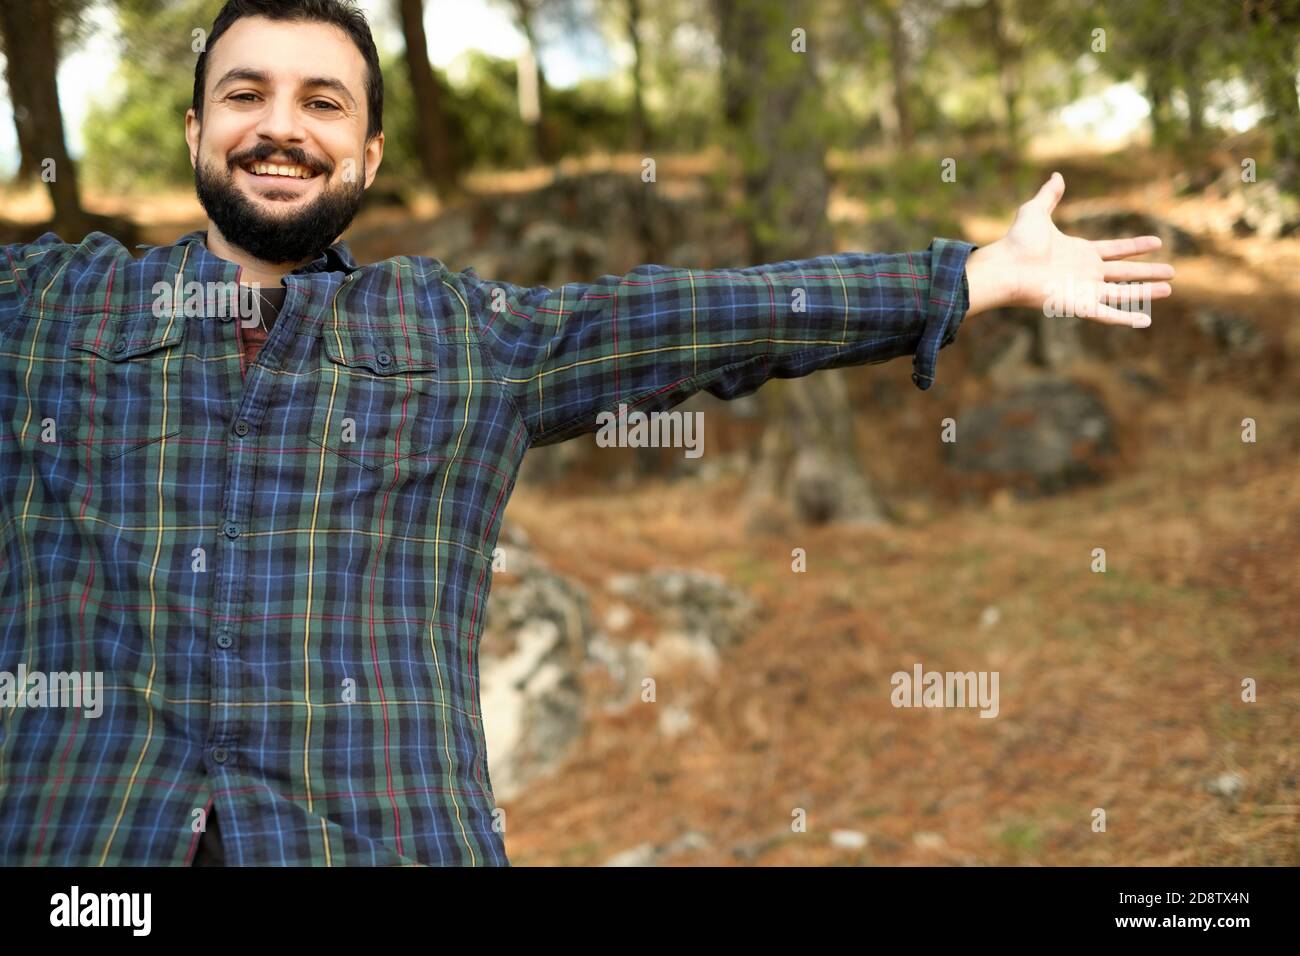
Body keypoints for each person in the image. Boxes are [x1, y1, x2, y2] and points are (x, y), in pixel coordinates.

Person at [0, 0, 1174, 866]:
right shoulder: (47, 312)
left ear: (366, 155)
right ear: (195, 126)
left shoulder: (461, 333)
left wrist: (969, 275)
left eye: (322, 103)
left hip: (378, 835)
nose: (279, 127)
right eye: (245, 95)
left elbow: (704, 316)